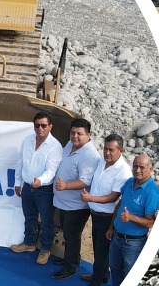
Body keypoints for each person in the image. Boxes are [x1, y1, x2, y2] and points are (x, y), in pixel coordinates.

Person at [51, 119, 100, 281]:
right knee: (68, 232)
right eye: (73, 133)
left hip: (77, 205)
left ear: (89, 135)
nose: (75, 137)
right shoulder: (70, 145)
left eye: (80, 134)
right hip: (64, 202)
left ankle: (70, 268)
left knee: (72, 236)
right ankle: (72, 258)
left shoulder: (89, 155)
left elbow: (85, 181)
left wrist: (65, 186)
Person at [12, 111, 63, 266]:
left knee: (47, 221)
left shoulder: (55, 146)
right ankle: (29, 243)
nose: (40, 128)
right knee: (29, 216)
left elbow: (51, 171)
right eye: (37, 125)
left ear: (50, 126)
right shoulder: (27, 140)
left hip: (44, 190)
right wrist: (17, 182)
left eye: (44, 125)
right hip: (27, 186)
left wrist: (40, 181)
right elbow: (21, 161)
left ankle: (45, 249)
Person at [81, 135, 129, 285]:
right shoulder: (103, 161)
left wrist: (90, 199)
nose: (107, 153)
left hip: (107, 216)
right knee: (98, 247)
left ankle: (95, 281)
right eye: (105, 148)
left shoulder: (123, 171)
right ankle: (102, 275)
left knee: (101, 251)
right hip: (95, 213)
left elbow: (114, 196)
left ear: (120, 150)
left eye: (111, 150)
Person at [107, 153, 159, 286]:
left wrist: (131, 218)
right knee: (114, 269)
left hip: (133, 243)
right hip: (116, 237)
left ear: (151, 169)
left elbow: (152, 223)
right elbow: (120, 204)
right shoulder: (129, 182)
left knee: (130, 275)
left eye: (142, 167)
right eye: (135, 166)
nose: (137, 170)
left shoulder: (152, 192)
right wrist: (111, 227)